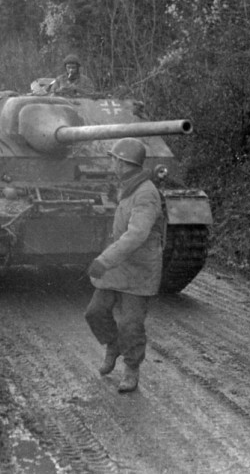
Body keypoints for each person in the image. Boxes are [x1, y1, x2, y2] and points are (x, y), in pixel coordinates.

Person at [85, 137, 164, 393]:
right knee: (95, 313)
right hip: (118, 264)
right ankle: (113, 344)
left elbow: (137, 235)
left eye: (114, 159)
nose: (112, 163)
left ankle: (131, 368)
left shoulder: (146, 193)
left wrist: (104, 260)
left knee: (130, 323)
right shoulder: (129, 185)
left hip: (138, 269)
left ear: (123, 162)